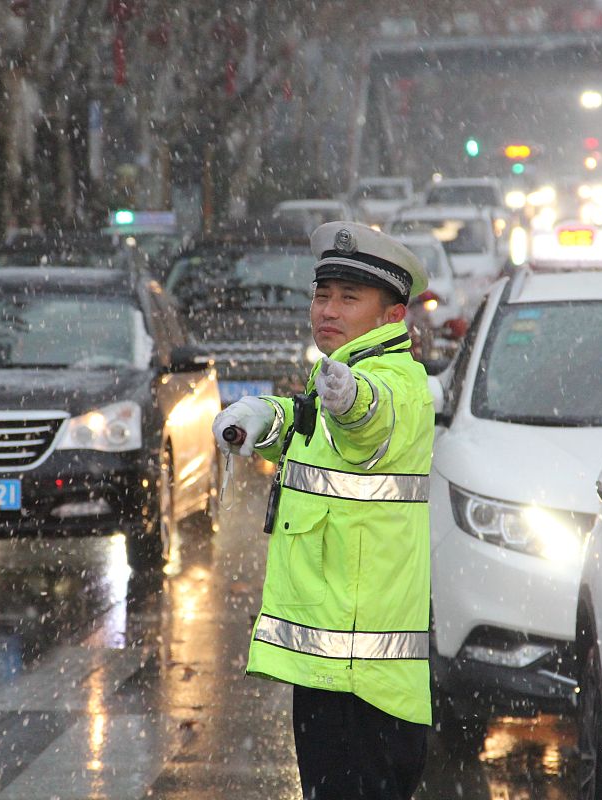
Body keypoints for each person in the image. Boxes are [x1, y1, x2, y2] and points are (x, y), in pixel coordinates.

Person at [212, 221, 434, 800]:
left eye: (349, 298)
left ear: (392, 315)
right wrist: (265, 417)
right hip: (332, 672)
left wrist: (351, 402)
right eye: (322, 294)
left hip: (366, 684)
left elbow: (368, 420)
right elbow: (315, 427)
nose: (328, 310)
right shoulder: (337, 372)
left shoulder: (396, 383)